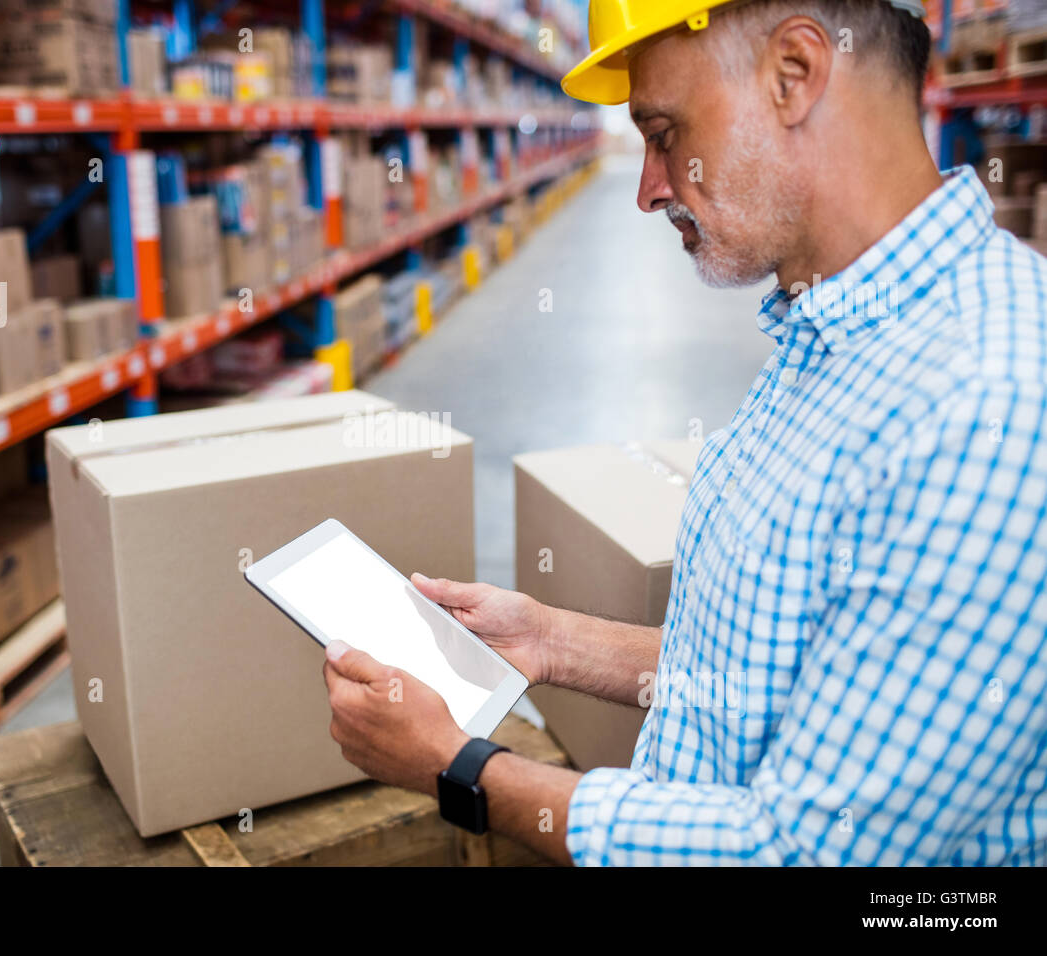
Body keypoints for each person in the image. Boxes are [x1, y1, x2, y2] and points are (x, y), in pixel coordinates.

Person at [322, 0, 1047, 866]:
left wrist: (460, 768)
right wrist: (550, 641)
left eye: (663, 132)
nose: (647, 188)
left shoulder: (987, 402)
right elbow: (772, 667)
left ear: (796, 74)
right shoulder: (832, 330)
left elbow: (804, 855)